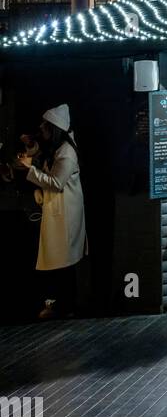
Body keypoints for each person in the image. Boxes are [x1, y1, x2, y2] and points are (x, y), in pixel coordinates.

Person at [15, 105, 86, 320]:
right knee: (59, 261)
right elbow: (42, 158)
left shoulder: (67, 153)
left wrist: (29, 169)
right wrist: (31, 147)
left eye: (45, 126)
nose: (41, 129)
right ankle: (61, 304)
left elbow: (56, 182)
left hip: (65, 215)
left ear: (54, 129)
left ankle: (65, 305)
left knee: (63, 261)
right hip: (58, 212)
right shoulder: (58, 148)